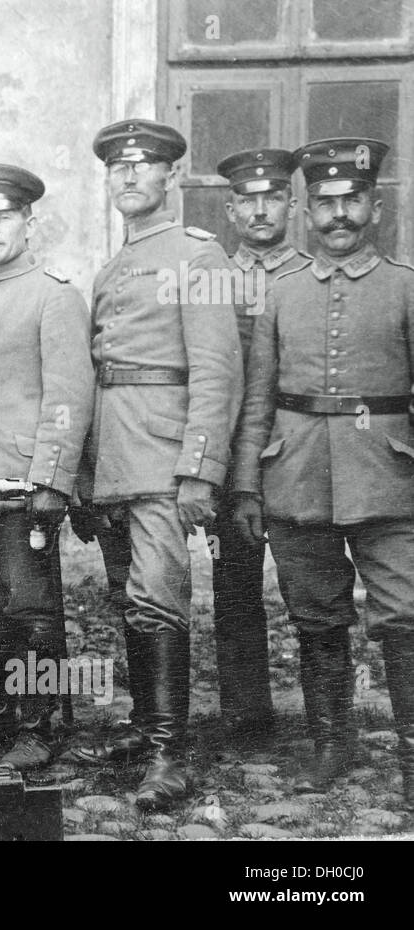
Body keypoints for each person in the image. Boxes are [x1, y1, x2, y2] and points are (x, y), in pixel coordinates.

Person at [232, 138, 414, 806]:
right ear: (307, 211)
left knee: (405, 615)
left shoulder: (404, 287)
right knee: (316, 617)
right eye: (326, 203)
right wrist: (249, 483)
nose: (339, 215)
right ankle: (331, 748)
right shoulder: (281, 293)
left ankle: (412, 755)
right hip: (297, 475)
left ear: (373, 204)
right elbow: (258, 398)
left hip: (389, 479)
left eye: (352, 200)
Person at [71, 120, 242, 810]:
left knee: (157, 595)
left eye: (145, 167)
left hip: (165, 454)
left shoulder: (199, 259)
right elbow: (95, 374)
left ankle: (171, 754)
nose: (131, 178)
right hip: (115, 450)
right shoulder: (110, 269)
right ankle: (145, 729)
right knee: (126, 597)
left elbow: (216, 368)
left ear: (171, 177)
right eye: (120, 169)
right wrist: (85, 469)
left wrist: (199, 467)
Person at [0, 163, 94, 770]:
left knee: (32, 606)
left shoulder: (54, 294)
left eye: (3, 217)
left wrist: (52, 478)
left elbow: (67, 393)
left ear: (28, 221)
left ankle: (45, 724)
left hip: (22, 478)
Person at [205, 147, 312, 738]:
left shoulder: (312, 277)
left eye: (273, 198)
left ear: (293, 206)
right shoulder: (209, 280)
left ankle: (326, 718)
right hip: (232, 455)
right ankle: (247, 715)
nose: (261, 210)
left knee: (311, 584)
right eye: (249, 200)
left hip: (298, 448)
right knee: (235, 585)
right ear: (230, 209)